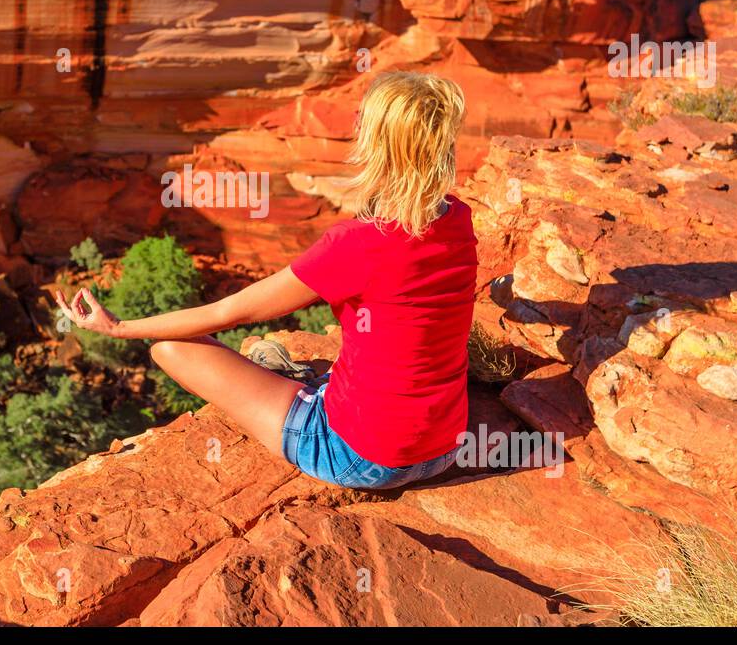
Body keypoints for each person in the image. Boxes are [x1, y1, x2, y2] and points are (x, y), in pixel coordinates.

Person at [54, 71, 477, 491]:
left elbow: (230, 311)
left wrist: (119, 327)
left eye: (362, 122)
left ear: (378, 144)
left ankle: (288, 395)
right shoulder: (457, 219)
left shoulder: (358, 244)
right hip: (444, 447)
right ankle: (294, 387)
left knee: (171, 349)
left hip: (358, 456)